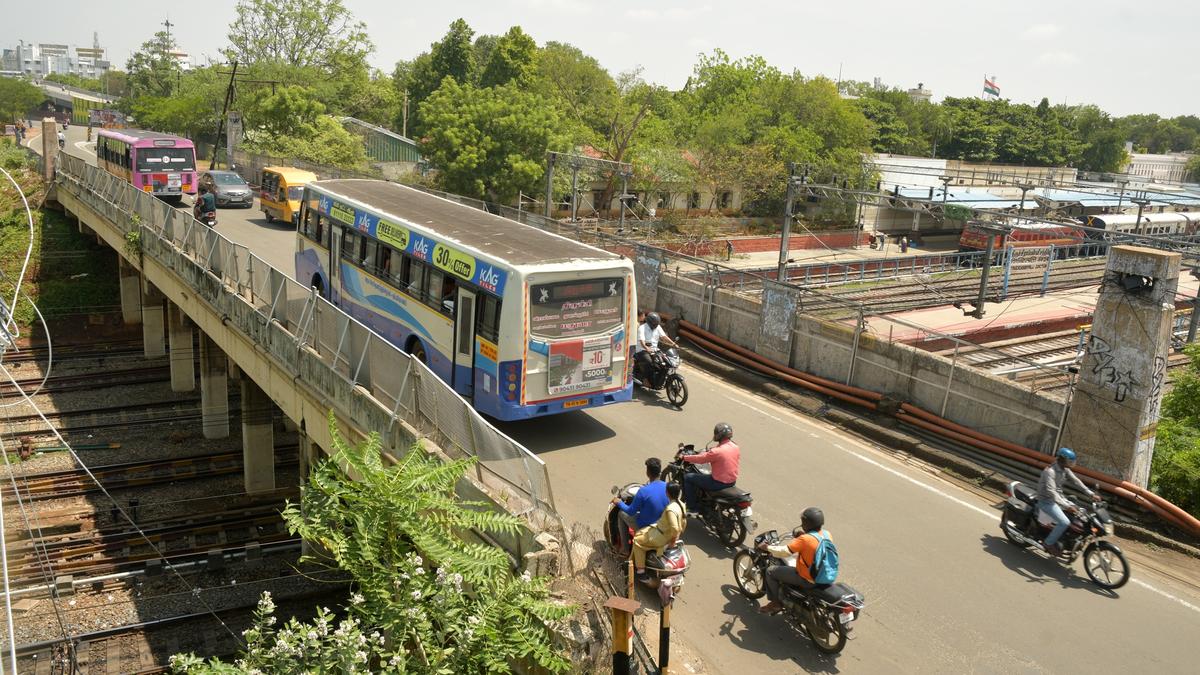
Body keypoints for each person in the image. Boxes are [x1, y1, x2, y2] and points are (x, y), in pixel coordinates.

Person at [758, 507, 828, 614]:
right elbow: (814, 544)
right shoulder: (826, 534)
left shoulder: (804, 540)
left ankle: (775, 603)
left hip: (808, 579)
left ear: (806, 523)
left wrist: (767, 548)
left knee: (770, 571)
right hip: (825, 575)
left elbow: (785, 551)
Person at [1038, 447, 1098, 555]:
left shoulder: (1064, 469)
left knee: (1082, 514)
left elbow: (1076, 481)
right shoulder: (1050, 472)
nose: (1071, 463)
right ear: (1062, 459)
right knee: (1064, 522)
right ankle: (1048, 543)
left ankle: (1066, 539)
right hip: (1047, 501)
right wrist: (1067, 506)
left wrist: (1091, 494)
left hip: (1059, 499)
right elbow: (1052, 493)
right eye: (1069, 461)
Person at [680, 422, 740, 514]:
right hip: (732, 481)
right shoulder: (735, 447)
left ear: (718, 435)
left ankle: (692, 507)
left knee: (688, 477)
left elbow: (701, 459)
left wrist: (685, 457)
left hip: (718, 483)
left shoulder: (716, 452)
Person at [631, 483, 686, 581]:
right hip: (664, 533)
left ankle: (640, 571)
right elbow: (683, 522)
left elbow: (675, 528)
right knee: (641, 531)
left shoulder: (670, 509)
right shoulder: (681, 504)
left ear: (667, 493)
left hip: (661, 537)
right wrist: (677, 536)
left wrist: (672, 542)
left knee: (637, 540)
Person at [612, 457, 669, 546]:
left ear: (648, 472)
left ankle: (625, 549)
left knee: (621, 514)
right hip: (662, 525)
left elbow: (631, 511)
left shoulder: (643, 491)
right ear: (660, 471)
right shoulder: (668, 487)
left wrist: (619, 502)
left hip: (646, 525)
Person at [634, 312, 676, 388]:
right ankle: (645, 379)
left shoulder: (658, 327)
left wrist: (673, 344)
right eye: (654, 324)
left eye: (657, 323)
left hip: (654, 350)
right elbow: (642, 341)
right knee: (649, 362)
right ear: (649, 322)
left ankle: (659, 379)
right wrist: (646, 348)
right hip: (642, 350)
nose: (656, 325)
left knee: (664, 362)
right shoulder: (642, 328)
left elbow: (664, 337)